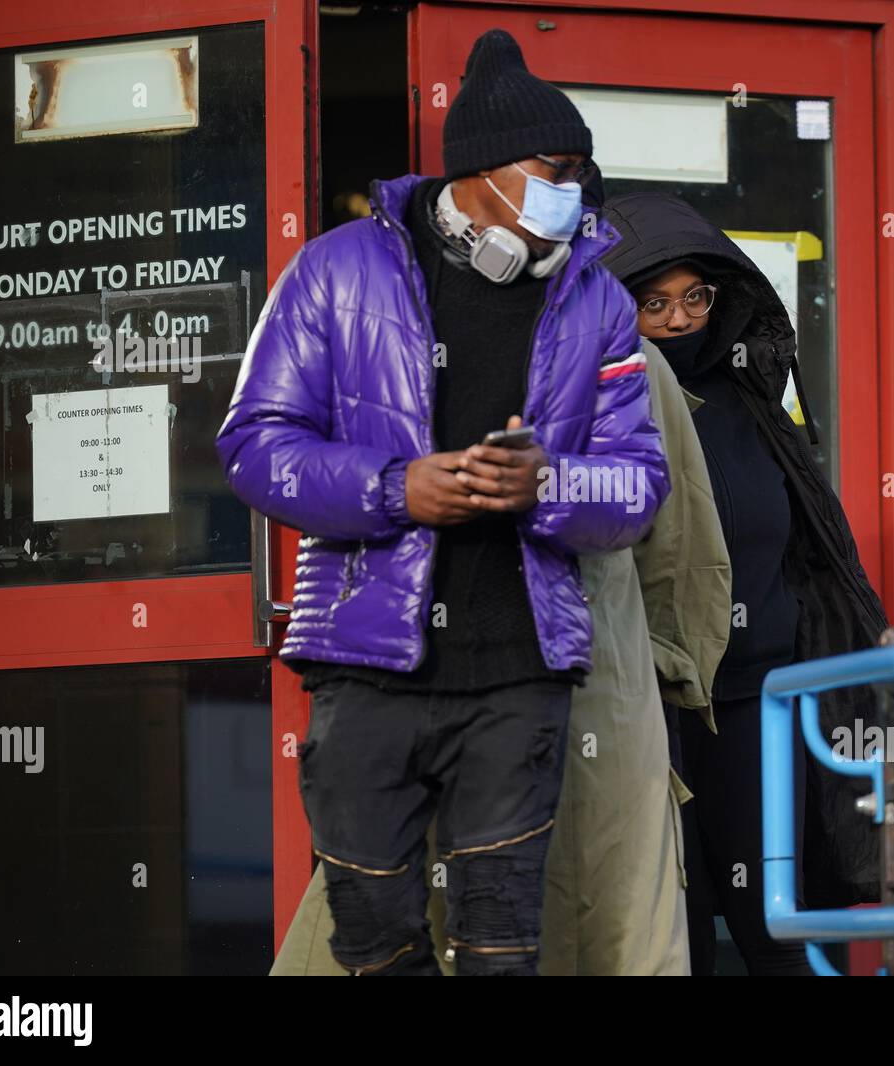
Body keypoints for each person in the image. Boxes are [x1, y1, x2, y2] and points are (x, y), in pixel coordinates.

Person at [216, 29, 668, 976]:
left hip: (520, 673)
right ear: (482, 169)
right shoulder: (338, 271)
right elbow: (255, 444)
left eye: (584, 172)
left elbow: (638, 487)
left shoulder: (598, 301)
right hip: (365, 661)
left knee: (503, 946)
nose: (573, 192)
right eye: (555, 167)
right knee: (373, 938)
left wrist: (547, 484)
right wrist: (395, 489)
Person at [269, 345, 733, 976]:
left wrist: (648, 674)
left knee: (596, 909)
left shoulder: (625, 358)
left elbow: (678, 547)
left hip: (589, 700)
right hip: (437, 686)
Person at [599, 192, 889, 976]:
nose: (680, 318)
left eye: (696, 297)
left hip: (761, 700)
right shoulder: (600, 411)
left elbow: (817, 553)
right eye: (653, 303)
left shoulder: (757, 405)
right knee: (669, 927)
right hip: (651, 708)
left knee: (779, 925)